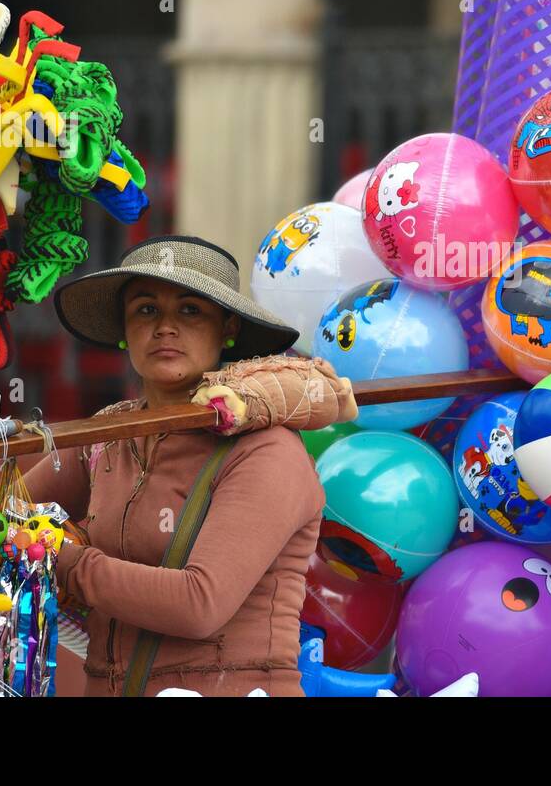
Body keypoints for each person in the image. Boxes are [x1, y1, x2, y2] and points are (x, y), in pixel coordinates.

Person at [19, 236, 355, 696]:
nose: (165, 327)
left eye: (191, 310)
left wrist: (64, 558)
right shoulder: (106, 438)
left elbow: (200, 604)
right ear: (124, 328)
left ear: (228, 327)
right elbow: (6, 510)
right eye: (146, 309)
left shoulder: (266, 449)